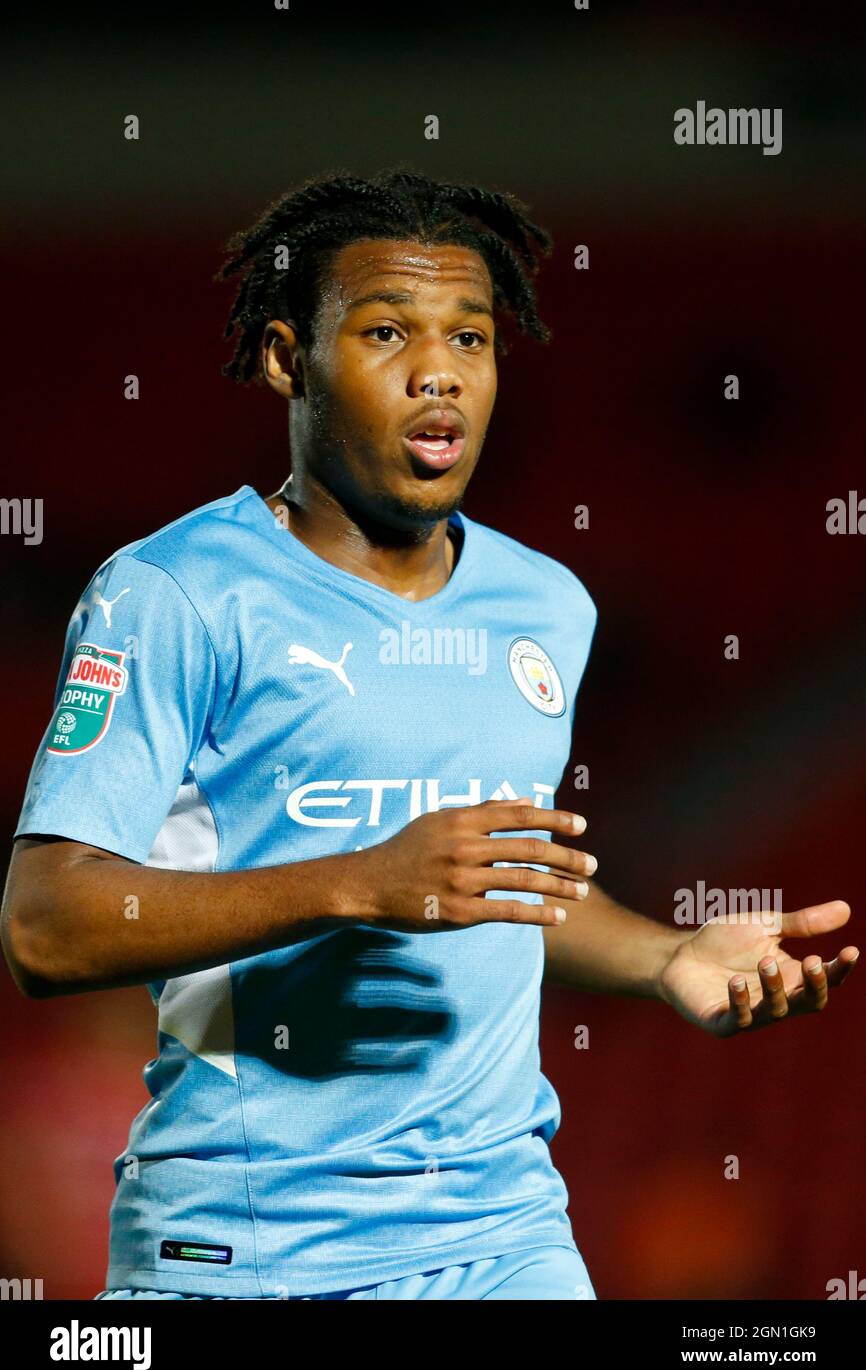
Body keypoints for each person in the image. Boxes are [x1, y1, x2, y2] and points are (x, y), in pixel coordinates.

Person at [1, 169, 857, 1302]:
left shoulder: (545, 605)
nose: (437, 368)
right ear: (282, 358)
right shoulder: (174, 593)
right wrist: (359, 883)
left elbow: (497, 885)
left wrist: (660, 957)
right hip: (248, 1250)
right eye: (385, 330)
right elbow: (44, 925)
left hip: (504, 1240)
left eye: (470, 335)